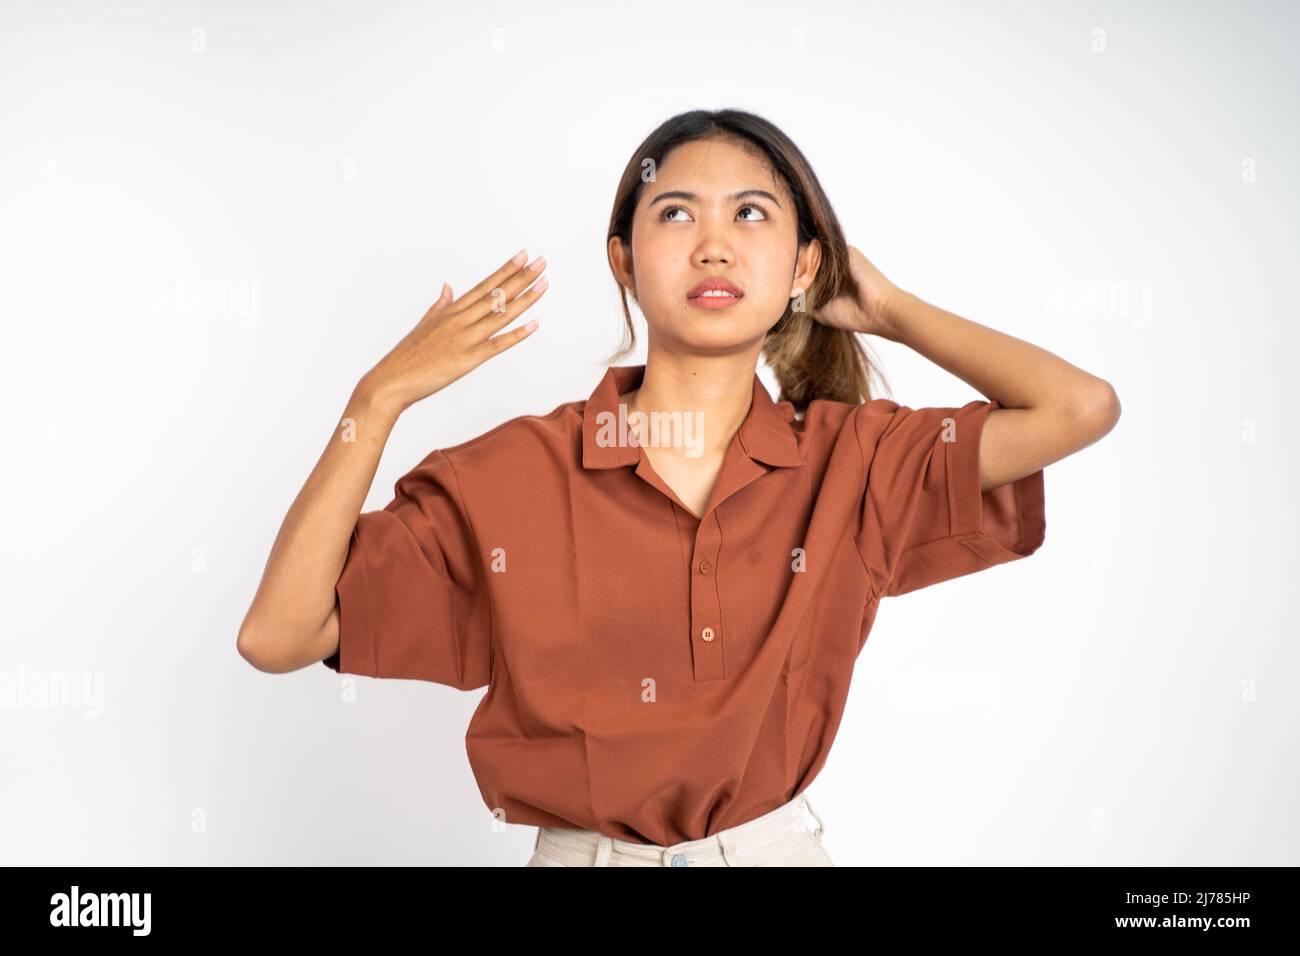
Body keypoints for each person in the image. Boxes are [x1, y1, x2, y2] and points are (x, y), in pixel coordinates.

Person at [237, 108, 1120, 867]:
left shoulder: (857, 460)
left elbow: (1080, 407)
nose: (714, 245)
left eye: (750, 214)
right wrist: (377, 398)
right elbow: (279, 635)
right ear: (623, 260)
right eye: (675, 214)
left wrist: (887, 308)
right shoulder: (510, 475)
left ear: (805, 265)